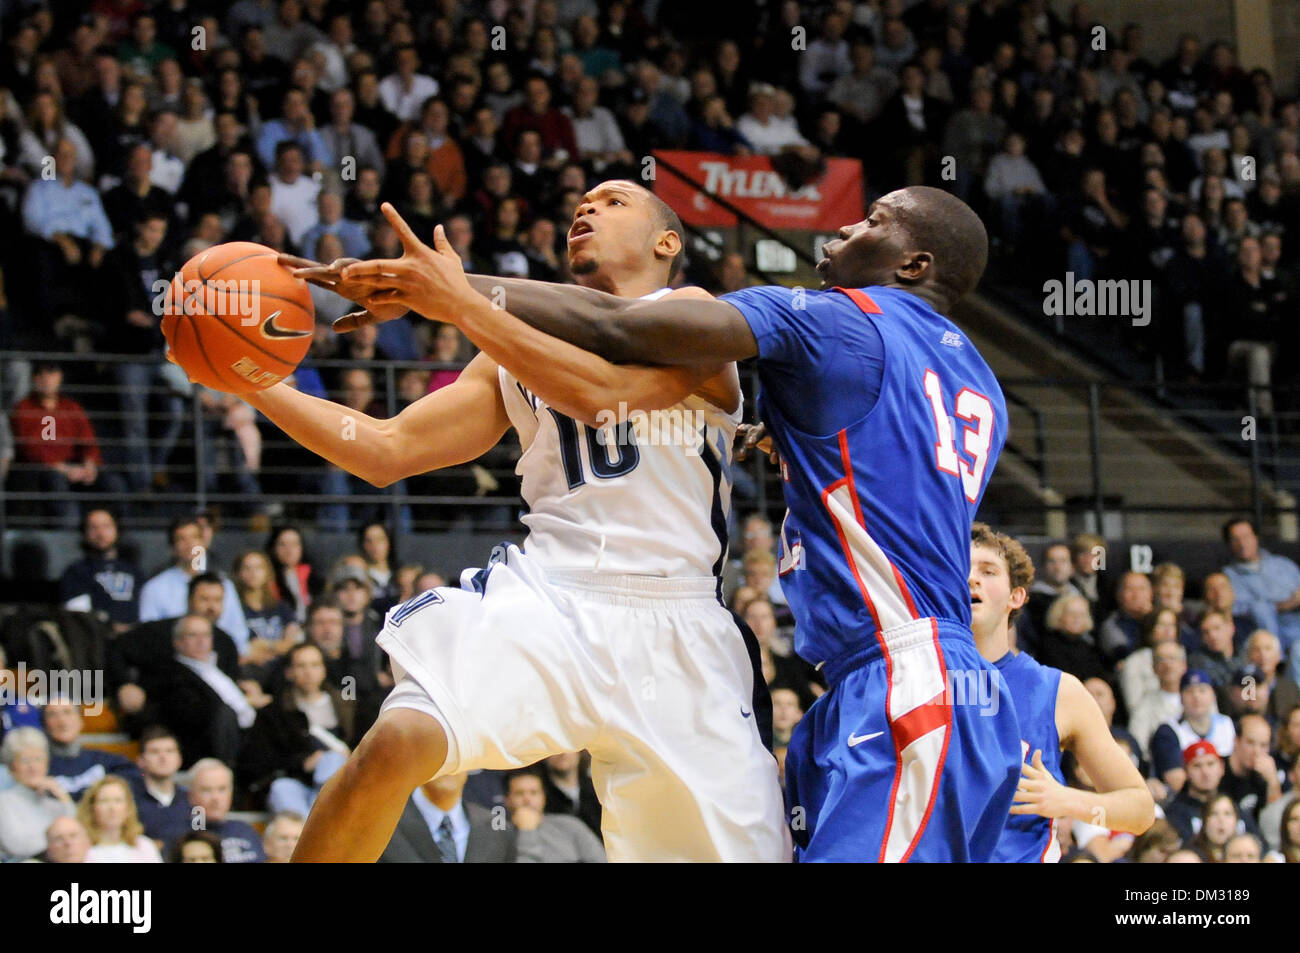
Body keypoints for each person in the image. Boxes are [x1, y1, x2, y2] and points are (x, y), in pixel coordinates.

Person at [327, 184, 1023, 863]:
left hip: (904, 679)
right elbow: (879, 456)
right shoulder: (982, 388)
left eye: (871, 222)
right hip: (890, 682)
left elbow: (616, 329)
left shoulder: (833, 318)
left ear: (915, 264)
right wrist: (776, 434)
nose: (840, 233)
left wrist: (455, 289)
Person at [264, 182, 784, 863]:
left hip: (678, 621)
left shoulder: (690, 313)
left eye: (613, 201)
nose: (586, 209)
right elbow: (385, 450)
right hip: (550, 597)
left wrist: (460, 301)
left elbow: (601, 397)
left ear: (668, 242)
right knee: (398, 740)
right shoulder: (506, 344)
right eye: (581, 203)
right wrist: (250, 380)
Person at [968, 524, 1153, 862]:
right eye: (961, 569)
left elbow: (1140, 810)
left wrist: (1066, 800)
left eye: (987, 570)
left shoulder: (1057, 690)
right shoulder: (913, 682)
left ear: (1017, 596)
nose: (972, 579)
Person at [239, 643, 353, 814]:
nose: (308, 672)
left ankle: (320, 823)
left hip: (342, 783)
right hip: (296, 782)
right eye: (301, 666)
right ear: (289, 672)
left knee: (333, 761)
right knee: (281, 788)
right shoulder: (273, 713)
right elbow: (258, 761)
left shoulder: (347, 708)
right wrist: (303, 763)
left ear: (324, 669)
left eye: (315, 665)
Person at [138, 517, 250, 652]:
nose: (190, 544)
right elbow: (147, 637)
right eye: (181, 539)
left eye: (194, 537)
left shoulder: (225, 584)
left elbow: (238, 633)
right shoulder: (154, 588)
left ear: (204, 543)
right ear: (172, 548)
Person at [380, 772, 515, 863]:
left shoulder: (498, 829)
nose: (449, 765)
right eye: (439, 754)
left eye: (456, 756)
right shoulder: (382, 825)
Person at [1222, 517, 1300, 672]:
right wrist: (1280, 605)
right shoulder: (1228, 576)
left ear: (1255, 537)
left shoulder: (1283, 564)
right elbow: (1238, 608)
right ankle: (1276, 660)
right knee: (1260, 608)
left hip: (1295, 622)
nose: (1242, 543)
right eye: (1235, 539)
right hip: (1257, 630)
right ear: (1229, 545)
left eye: (1246, 537)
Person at [1149, 670, 1236, 792]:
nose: (1196, 697)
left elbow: (1235, 769)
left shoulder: (1226, 723)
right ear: (1180, 697)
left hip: (1225, 796)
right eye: (1189, 691)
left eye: (1202, 690)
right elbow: (1175, 780)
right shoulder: (1168, 730)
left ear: (1213, 695)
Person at [58, 508, 141, 632]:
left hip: (137, 638)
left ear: (117, 530)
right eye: (93, 528)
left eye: (106, 526)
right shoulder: (76, 572)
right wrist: (111, 627)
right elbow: (79, 616)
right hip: (97, 640)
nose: (101, 533)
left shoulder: (134, 571)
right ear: (84, 533)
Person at [0, 727, 75, 860]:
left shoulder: (56, 800)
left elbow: (77, 835)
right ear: (12, 767)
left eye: (38, 759)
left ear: (47, 764)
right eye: (25, 761)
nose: (33, 767)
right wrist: (59, 843)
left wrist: (64, 798)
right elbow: (18, 847)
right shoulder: (4, 802)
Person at [505, 770, 605, 863]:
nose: (527, 799)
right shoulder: (500, 833)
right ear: (507, 800)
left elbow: (602, 860)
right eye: (519, 793)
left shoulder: (569, 825)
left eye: (534, 793)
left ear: (543, 797)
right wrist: (527, 831)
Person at [44, 699, 136, 801]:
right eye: (52, 715)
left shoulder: (105, 760)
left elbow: (134, 781)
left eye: (67, 712)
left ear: (81, 721)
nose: (61, 721)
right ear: (44, 725)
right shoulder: (40, 767)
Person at [182, 759, 264, 863]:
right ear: (191, 795)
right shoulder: (180, 835)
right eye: (206, 790)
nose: (215, 798)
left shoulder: (244, 829)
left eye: (222, 789)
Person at [78, 775, 162, 862]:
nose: (112, 808)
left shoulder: (145, 846)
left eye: (118, 800)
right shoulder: (79, 849)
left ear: (128, 808)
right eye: (104, 801)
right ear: (92, 808)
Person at [129, 726, 190, 843]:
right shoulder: (129, 801)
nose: (163, 757)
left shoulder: (193, 800)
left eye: (169, 751)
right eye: (154, 752)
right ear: (140, 761)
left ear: (179, 759)